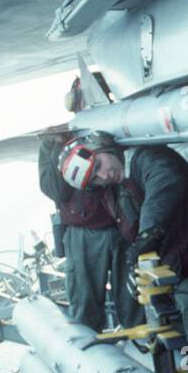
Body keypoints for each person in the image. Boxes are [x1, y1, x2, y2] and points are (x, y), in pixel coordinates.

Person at [58, 133, 188, 373]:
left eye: (98, 166)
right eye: (95, 179)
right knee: (182, 345)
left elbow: (164, 185)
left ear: (102, 147)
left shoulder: (149, 159)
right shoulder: (116, 188)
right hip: (177, 275)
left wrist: (147, 236)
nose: (103, 176)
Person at [38, 79, 136, 331]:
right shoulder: (60, 140)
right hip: (85, 233)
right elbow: (54, 190)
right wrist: (55, 147)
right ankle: (90, 346)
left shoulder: (113, 128)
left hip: (123, 226)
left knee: (133, 296)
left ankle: (141, 342)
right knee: (85, 301)